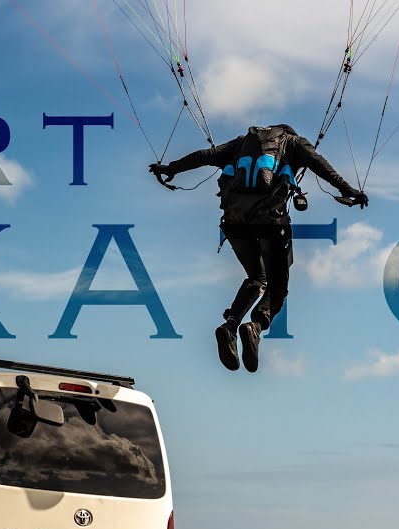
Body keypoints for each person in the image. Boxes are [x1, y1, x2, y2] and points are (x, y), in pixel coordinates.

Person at [150, 124, 368, 372]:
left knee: (256, 277)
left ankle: (229, 326)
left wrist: (171, 168)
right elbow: (321, 165)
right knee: (278, 288)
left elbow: (203, 156)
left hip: (233, 223)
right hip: (271, 223)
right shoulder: (295, 143)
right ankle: (255, 326)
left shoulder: (241, 143)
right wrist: (348, 190)